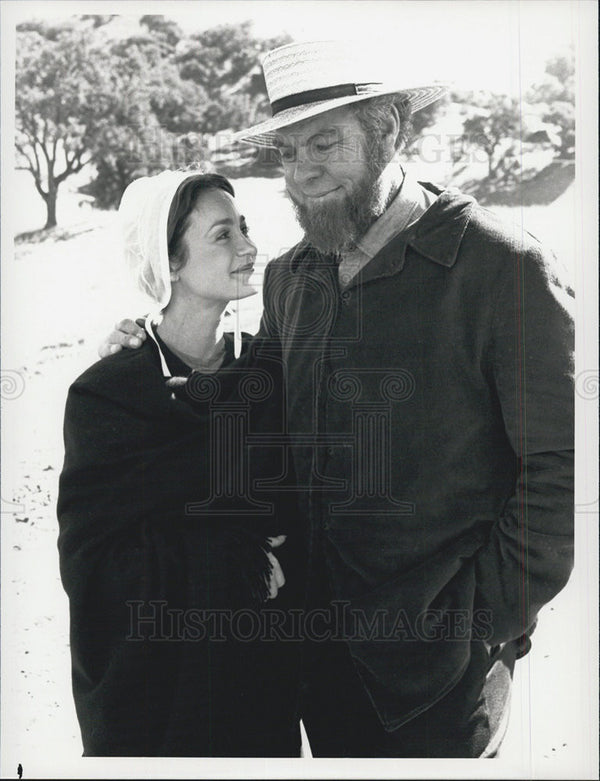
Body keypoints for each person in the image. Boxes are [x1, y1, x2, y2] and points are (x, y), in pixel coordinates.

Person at [102, 41, 575, 758]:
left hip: (440, 680)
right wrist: (152, 361)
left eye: (324, 143)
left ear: (389, 128)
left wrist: (479, 618)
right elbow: (252, 405)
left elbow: (565, 467)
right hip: (313, 657)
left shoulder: (502, 268)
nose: (302, 172)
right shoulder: (292, 274)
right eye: (287, 152)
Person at [57, 170, 302, 757]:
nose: (249, 247)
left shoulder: (270, 372)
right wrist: (236, 560)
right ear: (169, 260)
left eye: (245, 228)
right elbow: (92, 563)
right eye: (223, 235)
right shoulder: (110, 393)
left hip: (258, 680)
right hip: (156, 695)